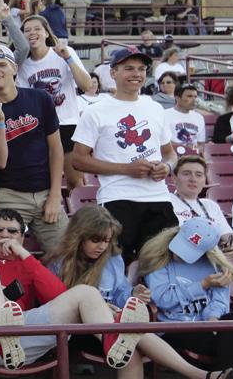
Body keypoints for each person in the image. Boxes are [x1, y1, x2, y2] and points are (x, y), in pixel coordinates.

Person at [45, 206, 233, 379]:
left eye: (107, 240)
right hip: (75, 332)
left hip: (110, 330)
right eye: (96, 240)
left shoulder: (112, 258)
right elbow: (56, 305)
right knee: (127, 338)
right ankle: (200, 377)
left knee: (130, 347)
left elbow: (120, 292)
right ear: (79, 236)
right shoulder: (58, 263)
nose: (102, 246)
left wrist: (133, 293)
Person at [0, 209, 148, 374]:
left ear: (21, 238)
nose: (4, 235)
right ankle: (0, 327)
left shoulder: (28, 264)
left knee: (86, 293)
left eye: (12, 232)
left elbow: (58, 296)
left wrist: (23, 255)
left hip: (15, 345)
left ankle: (111, 340)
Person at [138, 219, 233, 379]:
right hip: (173, 329)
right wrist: (202, 285)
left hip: (205, 328)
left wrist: (213, 318)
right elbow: (162, 299)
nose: (180, 254)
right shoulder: (159, 259)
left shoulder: (213, 265)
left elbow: (219, 302)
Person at [72, 47, 178, 265]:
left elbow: (170, 154)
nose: (136, 74)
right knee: (119, 267)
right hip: (117, 198)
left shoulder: (155, 108)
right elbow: (78, 160)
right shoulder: (96, 110)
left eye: (141, 69)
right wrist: (126, 169)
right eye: (128, 68)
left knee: (161, 267)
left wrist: (167, 168)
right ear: (113, 73)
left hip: (158, 198)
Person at [0, 45, 67, 254]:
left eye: (2, 64)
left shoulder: (40, 98)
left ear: (14, 68)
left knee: (66, 257)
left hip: (46, 191)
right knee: (3, 256)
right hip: (9, 194)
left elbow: (56, 149)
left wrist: (56, 195)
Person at [17, 15, 92, 189]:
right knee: (45, 183)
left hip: (68, 124)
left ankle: (79, 216)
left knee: (76, 182)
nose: (32, 33)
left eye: (37, 29)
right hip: (41, 129)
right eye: (27, 30)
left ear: (46, 33)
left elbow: (87, 85)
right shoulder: (22, 65)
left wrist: (68, 58)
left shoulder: (65, 53)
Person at [169, 155, 233, 257]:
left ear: (205, 180)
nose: (193, 179)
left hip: (213, 261)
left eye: (199, 175)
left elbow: (230, 235)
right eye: (186, 174)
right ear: (174, 178)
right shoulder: (167, 202)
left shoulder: (210, 205)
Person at [165, 82, 207, 147]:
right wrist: (184, 147)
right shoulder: (165, 115)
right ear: (177, 98)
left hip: (193, 155)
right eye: (189, 96)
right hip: (172, 154)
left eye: (195, 97)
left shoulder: (199, 117)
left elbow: (201, 144)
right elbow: (163, 142)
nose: (194, 100)